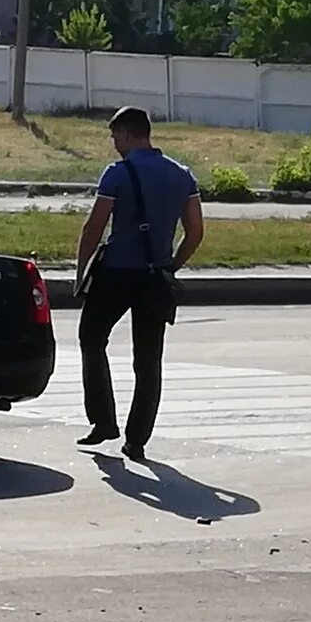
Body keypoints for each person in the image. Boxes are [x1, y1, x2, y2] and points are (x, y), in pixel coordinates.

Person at [74, 106, 202, 461]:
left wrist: (81, 271)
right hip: (155, 277)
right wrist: (172, 265)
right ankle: (137, 439)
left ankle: (103, 421)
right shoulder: (182, 175)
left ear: (129, 134)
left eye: (116, 136)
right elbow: (195, 231)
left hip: (115, 272)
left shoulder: (117, 173)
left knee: (91, 339)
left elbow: (93, 228)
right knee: (148, 361)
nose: (114, 144)